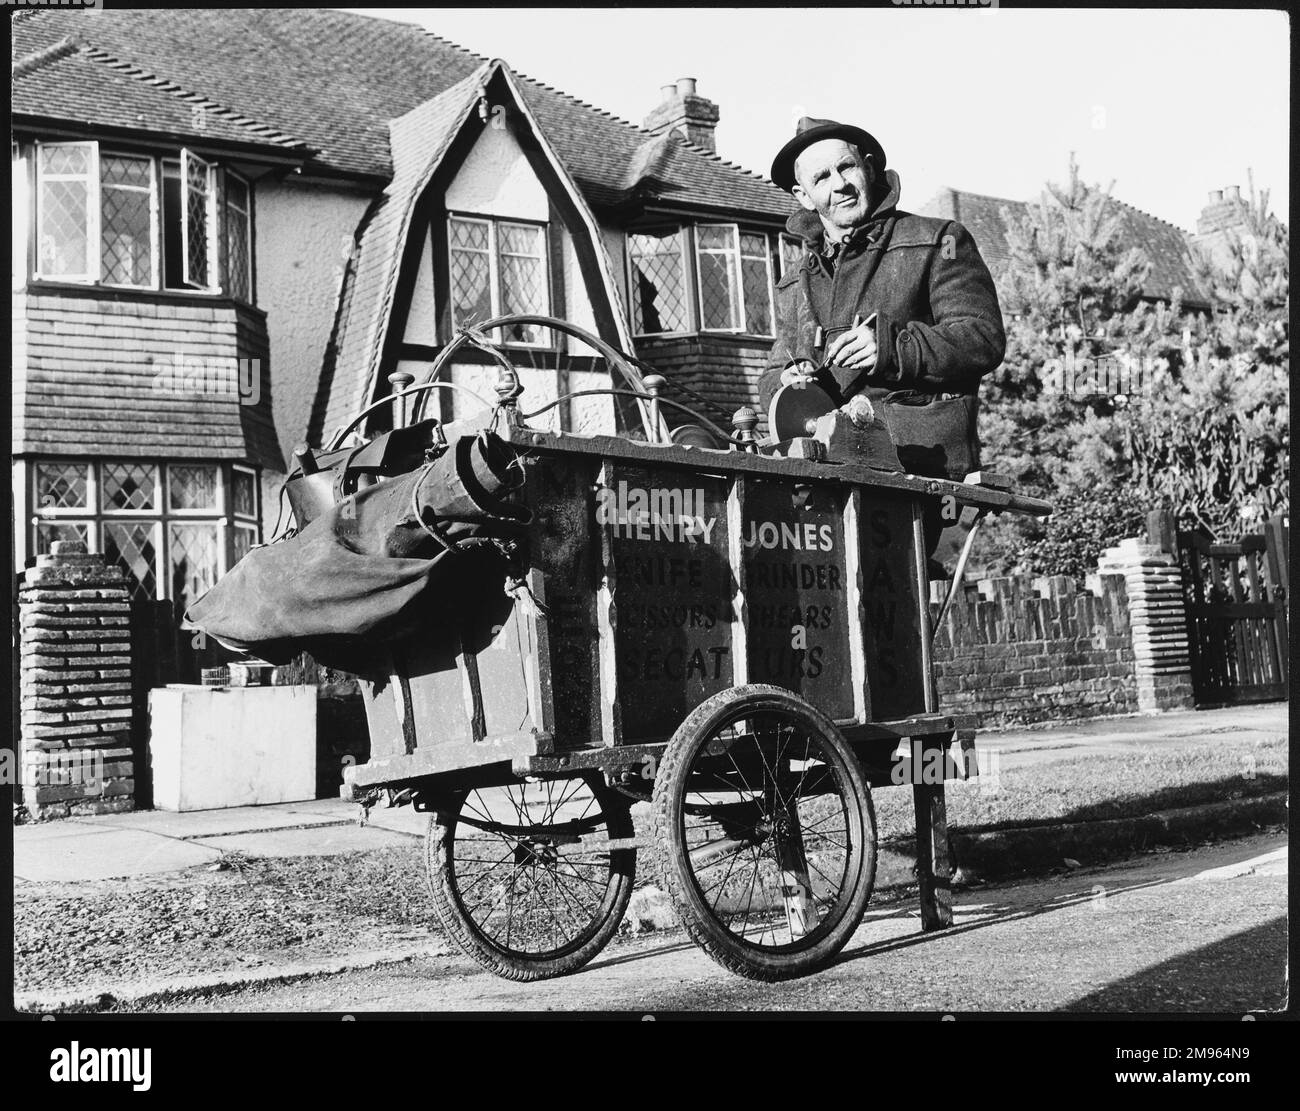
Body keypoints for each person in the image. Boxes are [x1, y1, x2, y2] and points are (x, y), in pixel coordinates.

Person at [758, 117, 1006, 575]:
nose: (840, 184)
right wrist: (787, 380)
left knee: (885, 606)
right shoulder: (796, 281)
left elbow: (982, 337)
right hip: (825, 469)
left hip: (915, 465)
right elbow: (774, 370)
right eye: (821, 178)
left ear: (868, 169)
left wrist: (890, 348)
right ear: (802, 197)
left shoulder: (939, 241)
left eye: (846, 167)